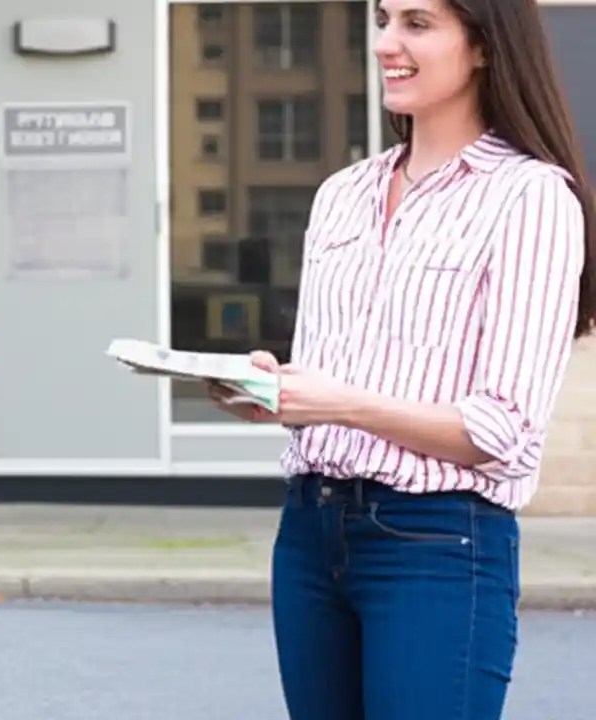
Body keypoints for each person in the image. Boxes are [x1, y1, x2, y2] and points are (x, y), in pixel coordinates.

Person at [208, 0, 594, 718]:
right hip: (310, 535)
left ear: (483, 45)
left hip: (437, 542)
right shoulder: (341, 196)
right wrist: (269, 392)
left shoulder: (530, 200)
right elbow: (330, 384)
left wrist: (339, 402)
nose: (387, 43)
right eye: (383, 18)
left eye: (417, 23)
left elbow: (503, 431)